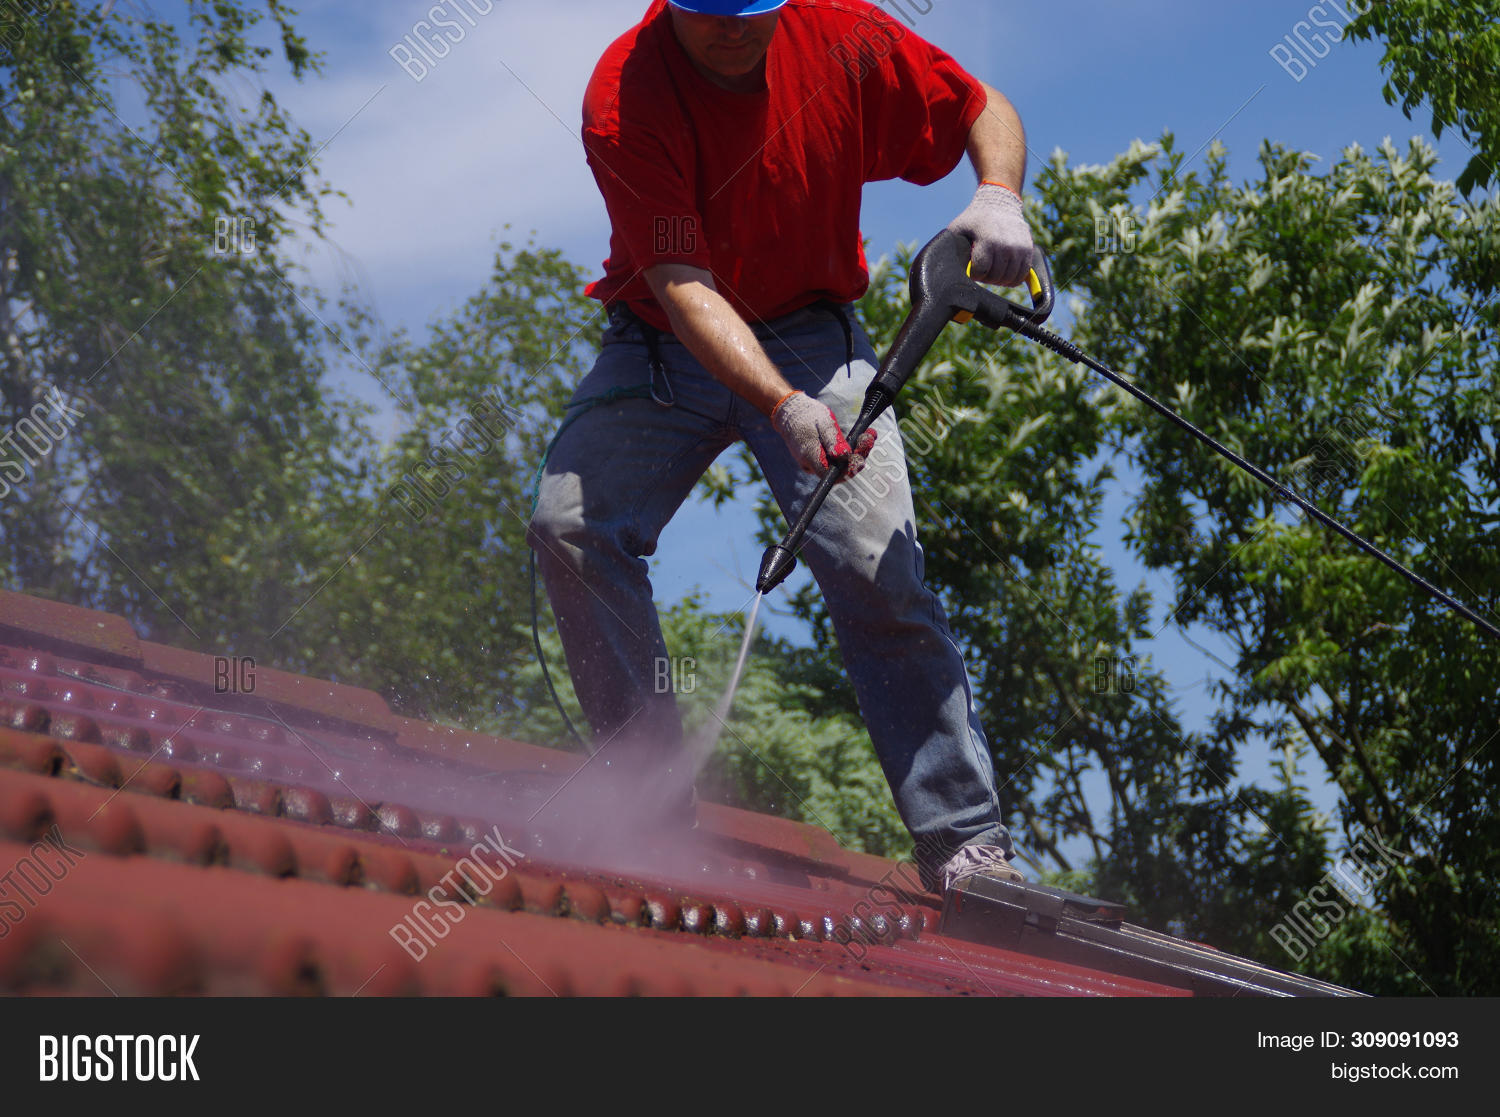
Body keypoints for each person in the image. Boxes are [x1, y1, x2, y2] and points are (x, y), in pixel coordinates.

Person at [527, 0, 1036, 896]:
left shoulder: (845, 37)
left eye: (749, 10)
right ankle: (643, 803)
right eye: (707, 11)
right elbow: (682, 283)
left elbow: (979, 105)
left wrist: (998, 194)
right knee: (570, 525)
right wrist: (779, 403)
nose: (730, 28)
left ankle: (964, 843)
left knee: (877, 559)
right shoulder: (624, 94)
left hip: (814, 329)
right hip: (663, 340)